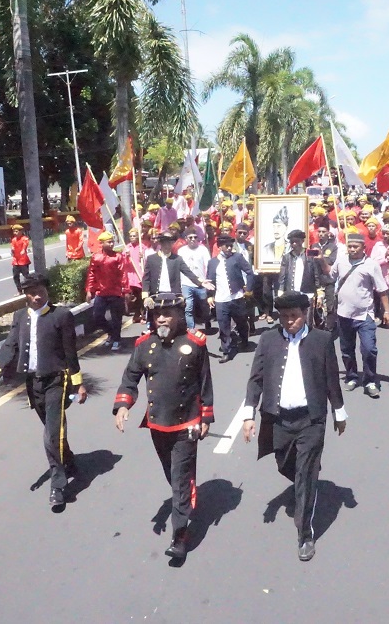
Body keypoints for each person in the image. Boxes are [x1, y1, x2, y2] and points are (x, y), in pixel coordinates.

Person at [242, 287, 347, 561]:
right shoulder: (268, 340)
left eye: (294, 316)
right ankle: (303, 479)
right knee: (283, 463)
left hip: (311, 419)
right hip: (278, 419)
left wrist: (339, 410)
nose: (289, 321)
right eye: (284, 316)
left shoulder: (322, 340)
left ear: (305, 314)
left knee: (306, 475)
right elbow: (255, 379)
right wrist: (248, 414)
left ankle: (305, 534)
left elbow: (331, 378)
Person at [114, 294, 214, 560]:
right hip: (158, 422)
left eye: (167, 313)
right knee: (173, 475)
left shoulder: (195, 344)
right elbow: (130, 378)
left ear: (180, 315)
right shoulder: (144, 345)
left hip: (187, 422)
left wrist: (205, 418)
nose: (161, 318)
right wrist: (123, 405)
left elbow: (205, 384)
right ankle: (185, 494)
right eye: (157, 314)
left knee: (179, 479)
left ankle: (179, 535)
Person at [0, 273, 86, 508]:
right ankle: (68, 459)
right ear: (25, 295)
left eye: (40, 291)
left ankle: (58, 486)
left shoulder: (61, 316)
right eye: (31, 293)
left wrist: (78, 383)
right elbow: (11, 344)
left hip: (56, 382)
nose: (37, 296)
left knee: (52, 434)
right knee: (52, 431)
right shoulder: (21, 316)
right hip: (33, 383)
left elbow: (70, 352)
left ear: (47, 291)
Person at [325, 231, 389, 397]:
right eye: (350, 246)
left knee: (369, 349)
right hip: (343, 314)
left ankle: (370, 380)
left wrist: (388, 311)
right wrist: (320, 260)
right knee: (347, 349)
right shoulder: (341, 261)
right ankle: (351, 376)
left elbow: (382, 290)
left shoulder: (371, 265)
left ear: (363, 248)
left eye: (356, 246)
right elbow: (331, 274)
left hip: (365, 315)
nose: (352, 249)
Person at [207, 235, 256, 363]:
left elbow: (249, 272)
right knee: (223, 326)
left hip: (237, 296)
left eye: (231, 245)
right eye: (226, 246)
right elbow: (210, 281)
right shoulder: (212, 262)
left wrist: (248, 289)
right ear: (219, 247)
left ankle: (244, 340)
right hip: (221, 299)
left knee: (241, 322)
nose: (229, 248)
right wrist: (209, 296)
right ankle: (226, 351)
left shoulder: (237, 258)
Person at [85, 232, 130, 350]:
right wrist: (89, 290)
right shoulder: (96, 257)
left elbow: (123, 275)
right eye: (108, 242)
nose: (111, 244)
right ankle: (111, 332)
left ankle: (117, 339)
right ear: (102, 243)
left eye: (112, 241)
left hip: (116, 293)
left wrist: (126, 291)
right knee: (97, 317)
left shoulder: (118, 257)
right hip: (101, 292)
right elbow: (91, 274)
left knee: (116, 318)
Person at [141, 231, 214, 304]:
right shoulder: (151, 259)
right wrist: (146, 296)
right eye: (165, 243)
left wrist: (201, 282)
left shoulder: (177, 259)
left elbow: (188, 273)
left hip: (173, 296)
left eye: (170, 243)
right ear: (160, 243)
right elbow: (146, 279)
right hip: (156, 296)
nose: (168, 246)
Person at [178, 228, 212, 331]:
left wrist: (208, 280)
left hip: (201, 283)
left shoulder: (203, 249)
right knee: (188, 307)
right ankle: (191, 329)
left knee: (204, 306)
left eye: (195, 237)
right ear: (186, 239)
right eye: (190, 237)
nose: (193, 239)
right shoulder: (181, 251)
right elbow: (179, 268)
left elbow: (208, 265)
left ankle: (207, 320)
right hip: (186, 283)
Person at [10, 223, 31, 293]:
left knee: (26, 276)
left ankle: (28, 289)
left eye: (16, 231)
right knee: (15, 276)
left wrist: (23, 250)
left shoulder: (24, 239)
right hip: (16, 261)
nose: (15, 233)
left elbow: (25, 245)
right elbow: (12, 247)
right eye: (14, 231)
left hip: (23, 261)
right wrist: (12, 250)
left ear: (21, 231)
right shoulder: (13, 240)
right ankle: (19, 290)